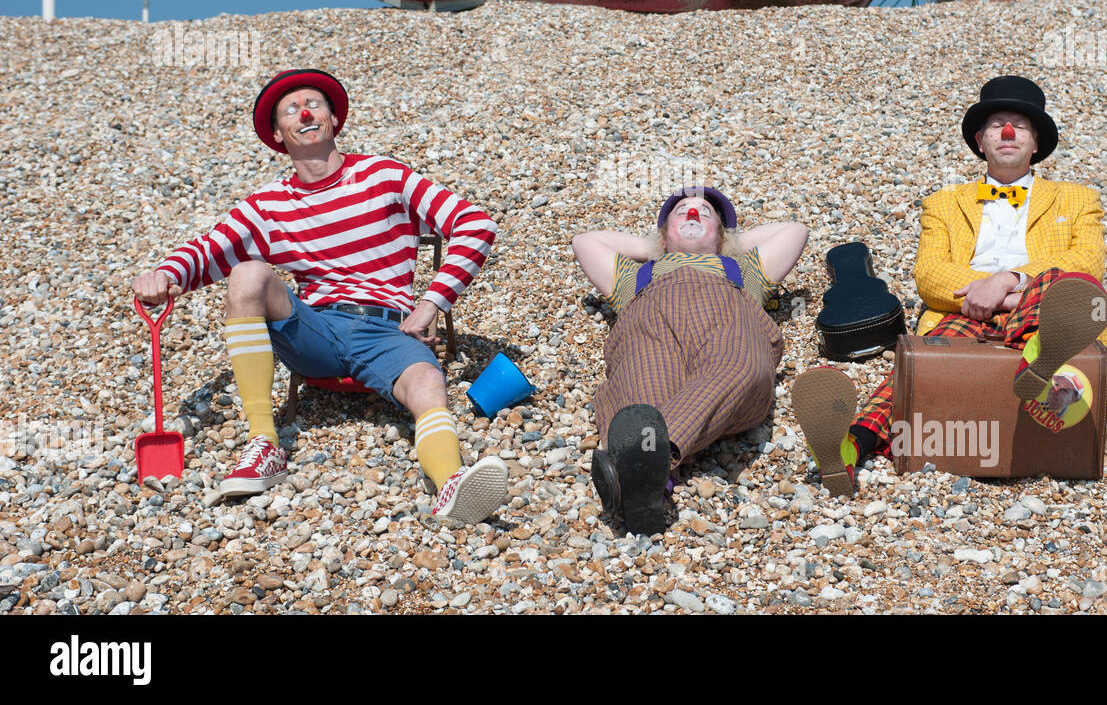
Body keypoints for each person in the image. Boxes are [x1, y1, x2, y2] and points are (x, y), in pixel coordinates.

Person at [131, 68, 508, 524]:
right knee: (248, 274)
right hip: (316, 329)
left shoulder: (385, 175)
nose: (305, 113)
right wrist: (164, 274)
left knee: (429, 385)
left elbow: (476, 224)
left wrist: (431, 303)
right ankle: (264, 446)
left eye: (315, 104)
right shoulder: (267, 206)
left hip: (388, 328)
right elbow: (207, 251)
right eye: (291, 109)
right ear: (277, 132)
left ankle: (450, 485)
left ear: (333, 119)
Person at [792, 75, 1107, 493]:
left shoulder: (1078, 198)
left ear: (1036, 144)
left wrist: (1006, 280)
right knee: (915, 373)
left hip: (1046, 312)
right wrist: (995, 297)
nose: (1007, 132)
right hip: (970, 312)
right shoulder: (944, 203)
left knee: (1067, 281)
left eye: (1019, 126)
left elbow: (1088, 263)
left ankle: (1039, 353)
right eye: (996, 125)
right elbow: (930, 273)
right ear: (980, 142)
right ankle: (850, 448)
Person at [572, 186, 807, 534]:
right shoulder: (633, 276)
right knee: (640, 389)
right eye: (681, 211)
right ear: (663, 236)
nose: (694, 214)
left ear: (723, 237)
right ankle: (647, 483)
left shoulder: (744, 269)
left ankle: (639, 466)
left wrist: (729, 243)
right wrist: (655, 244)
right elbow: (583, 241)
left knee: (742, 367)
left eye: (706, 213)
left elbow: (795, 230)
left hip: (726, 323)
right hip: (652, 329)